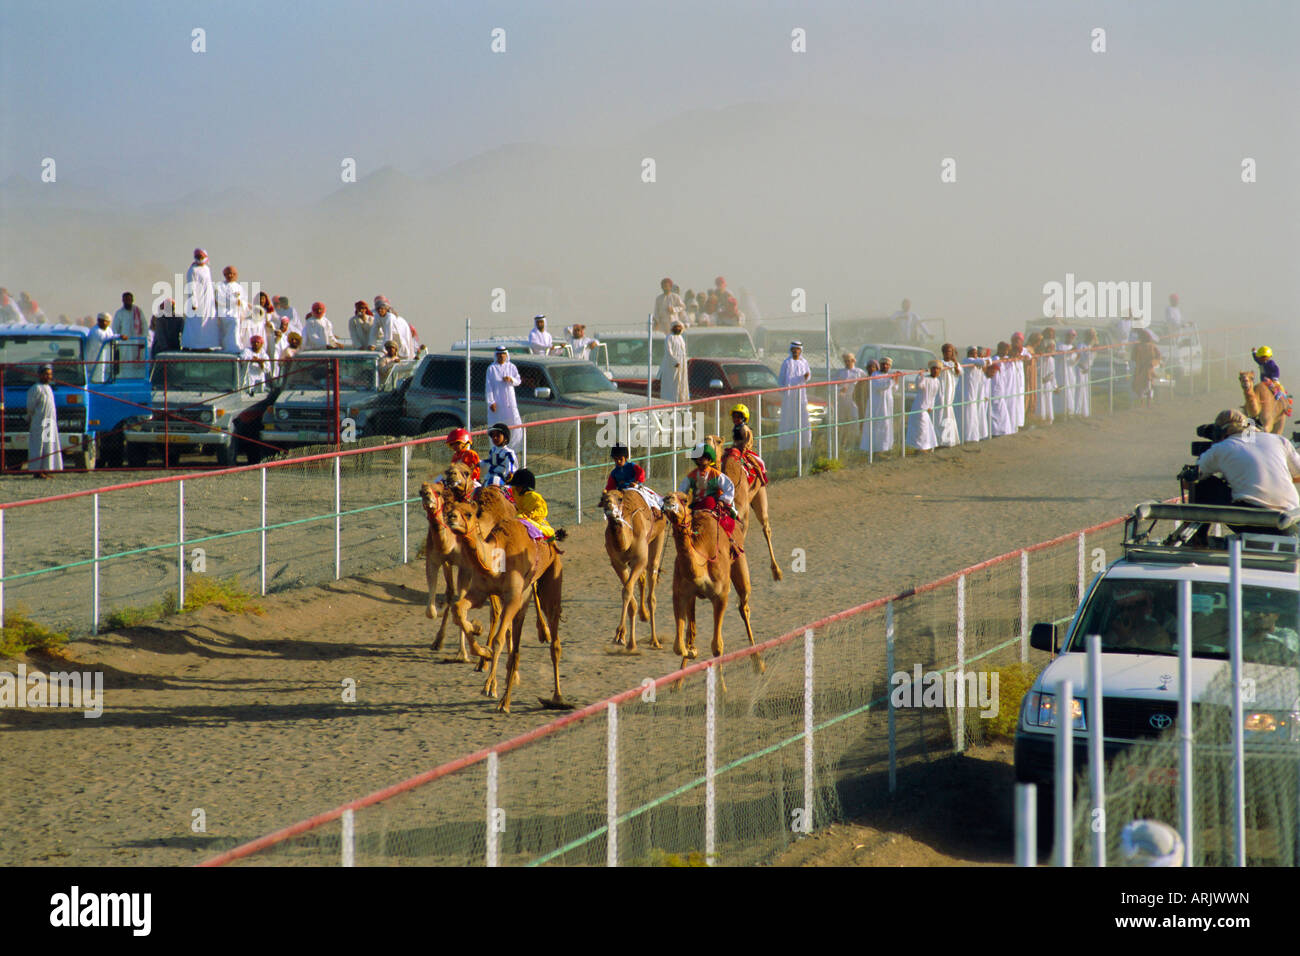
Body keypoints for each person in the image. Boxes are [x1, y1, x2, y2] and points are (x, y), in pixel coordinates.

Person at [1196, 408, 1300, 511]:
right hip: (1292, 512)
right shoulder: (1279, 440)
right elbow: (1297, 471)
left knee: (1203, 485)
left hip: (1255, 514)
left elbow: (1197, 474)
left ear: (1219, 433)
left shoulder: (1220, 448)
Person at [677, 441, 738, 535]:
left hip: (713, 504)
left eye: (704, 457)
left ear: (709, 459)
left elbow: (729, 488)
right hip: (696, 505)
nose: (701, 459)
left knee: (724, 521)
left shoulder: (716, 474)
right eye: (699, 457)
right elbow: (681, 491)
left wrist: (722, 500)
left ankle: (728, 539)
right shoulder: (691, 476)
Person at [1104, 590, 1172, 653]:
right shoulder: (1117, 629)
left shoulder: (1158, 634)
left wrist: (1125, 637)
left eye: (1130, 608)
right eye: (1122, 609)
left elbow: (1147, 658)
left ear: (1142, 609)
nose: (1125, 613)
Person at [26, 364, 62, 476]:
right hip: (39, 422)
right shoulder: (36, 388)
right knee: (38, 446)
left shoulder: (49, 388)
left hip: (49, 423)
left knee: (48, 446)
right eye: (46, 374)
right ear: (40, 375)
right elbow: (30, 407)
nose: (48, 376)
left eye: (50, 374)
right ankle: (37, 470)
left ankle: (46, 469)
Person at [183, 248, 221, 349]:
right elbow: (191, 287)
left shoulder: (207, 269)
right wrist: (194, 302)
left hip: (208, 301)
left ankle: (208, 345)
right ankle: (193, 345)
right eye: (198, 257)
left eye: (202, 257)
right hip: (198, 301)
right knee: (196, 323)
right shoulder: (193, 270)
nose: (200, 259)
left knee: (208, 322)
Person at [778, 341, 812, 451]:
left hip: (801, 395)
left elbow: (808, 376)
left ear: (800, 350)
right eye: (794, 349)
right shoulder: (787, 363)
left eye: (798, 349)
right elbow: (781, 379)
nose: (795, 351)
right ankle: (786, 445)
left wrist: (806, 377)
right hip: (789, 397)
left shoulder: (804, 362)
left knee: (803, 417)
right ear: (791, 350)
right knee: (788, 418)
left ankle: (804, 444)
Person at [485, 346, 523, 446]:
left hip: (510, 402)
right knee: (497, 424)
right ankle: (496, 447)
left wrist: (511, 379)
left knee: (514, 422)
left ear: (506, 355)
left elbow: (518, 381)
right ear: (496, 355)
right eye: (499, 354)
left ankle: (514, 447)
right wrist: (491, 402)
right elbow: (488, 386)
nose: (501, 356)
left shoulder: (511, 367)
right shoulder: (491, 368)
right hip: (497, 403)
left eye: (503, 354)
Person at [507, 469, 558, 540]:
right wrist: (510, 479)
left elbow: (542, 511)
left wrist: (531, 515)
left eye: (518, 486)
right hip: (521, 517)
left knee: (519, 517)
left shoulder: (534, 497)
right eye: (515, 486)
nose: (516, 488)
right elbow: (510, 487)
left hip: (535, 521)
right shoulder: (516, 491)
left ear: (525, 487)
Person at [862, 358, 898, 453]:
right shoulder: (875, 375)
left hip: (887, 404)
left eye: (887, 365)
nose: (885, 366)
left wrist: (896, 380)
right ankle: (874, 449)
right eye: (883, 364)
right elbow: (880, 386)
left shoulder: (890, 375)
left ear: (889, 366)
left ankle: (884, 448)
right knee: (875, 424)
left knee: (886, 424)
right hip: (876, 404)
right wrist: (892, 379)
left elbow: (895, 389)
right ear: (880, 365)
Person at [728, 403, 768, 485]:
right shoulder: (736, 428)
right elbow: (735, 441)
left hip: (745, 451)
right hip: (735, 450)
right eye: (734, 417)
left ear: (743, 418)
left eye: (738, 417)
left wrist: (743, 449)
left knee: (756, 463)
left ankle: (761, 479)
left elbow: (748, 442)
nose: (735, 419)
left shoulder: (745, 429)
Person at [906, 361, 941, 452]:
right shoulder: (925, 379)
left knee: (925, 428)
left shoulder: (937, 381)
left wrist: (931, 406)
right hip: (920, 407)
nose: (936, 370)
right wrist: (920, 375)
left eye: (938, 369)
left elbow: (933, 396)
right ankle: (920, 448)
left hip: (927, 408)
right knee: (921, 428)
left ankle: (923, 448)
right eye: (934, 368)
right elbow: (919, 385)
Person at [833, 351, 867, 444]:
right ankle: (842, 441)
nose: (847, 363)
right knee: (842, 420)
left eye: (849, 360)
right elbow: (833, 384)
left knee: (854, 418)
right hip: (842, 400)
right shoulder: (840, 372)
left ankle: (855, 440)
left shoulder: (859, 372)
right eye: (846, 361)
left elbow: (865, 383)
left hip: (854, 399)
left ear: (853, 361)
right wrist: (840, 389)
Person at [934, 343, 961, 447]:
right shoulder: (940, 363)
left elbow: (958, 372)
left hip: (950, 396)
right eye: (947, 351)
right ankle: (938, 441)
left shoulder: (954, 364)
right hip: (941, 393)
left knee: (948, 417)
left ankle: (948, 441)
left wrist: (954, 362)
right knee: (939, 416)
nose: (948, 353)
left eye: (950, 351)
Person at [216, 265, 247, 353]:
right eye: (229, 273)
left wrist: (241, 303)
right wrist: (234, 301)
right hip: (224, 313)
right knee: (232, 323)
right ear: (224, 274)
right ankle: (229, 347)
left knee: (236, 324)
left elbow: (244, 300)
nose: (231, 275)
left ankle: (234, 345)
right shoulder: (220, 286)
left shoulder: (239, 287)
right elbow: (219, 299)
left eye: (233, 274)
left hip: (236, 312)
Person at [957, 346, 986, 442]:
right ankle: (966, 437)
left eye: (976, 353)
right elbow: (983, 362)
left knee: (973, 414)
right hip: (966, 393)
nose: (975, 354)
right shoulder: (967, 360)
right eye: (974, 352)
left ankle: (973, 436)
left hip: (973, 393)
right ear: (969, 353)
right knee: (967, 415)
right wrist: (982, 360)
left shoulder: (975, 361)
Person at [660, 320, 689, 403]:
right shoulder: (669, 337)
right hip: (671, 366)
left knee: (681, 384)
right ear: (672, 328)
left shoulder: (681, 338)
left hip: (682, 365)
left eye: (680, 327)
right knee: (671, 385)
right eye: (676, 327)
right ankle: (669, 402)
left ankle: (681, 402)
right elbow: (668, 352)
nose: (678, 329)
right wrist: (675, 362)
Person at [1131, 329, 1161, 406]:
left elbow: (1133, 357)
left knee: (1143, 385)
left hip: (1144, 369)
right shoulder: (1151, 346)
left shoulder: (1139, 346)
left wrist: (1152, 363)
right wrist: (1153, 363)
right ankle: (1146, 401)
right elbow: (1158, 357)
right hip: (1146, 369)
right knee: (1147, 385)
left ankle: (1144, 401)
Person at [484, 422, 518, 488]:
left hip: (501, 482)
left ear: (505, 438)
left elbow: (511, 468)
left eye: (498, 436)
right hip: (488, 479)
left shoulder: (508, 453)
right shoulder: (492, 451)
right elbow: (488, 464)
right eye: (493, 436)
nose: (495, 438)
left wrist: (509, 474)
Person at [86, 312, 118, 383]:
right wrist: (119, 336)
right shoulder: (95, 331)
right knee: (95, 379)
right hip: (94, 360)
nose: (104, 323)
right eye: (102, 321)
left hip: (105, 360)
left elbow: (112, 338)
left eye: (107, 322)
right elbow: (106, 340)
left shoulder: (109, 330)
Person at [1075, 329, 1097, 417]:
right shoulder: (1081, 345)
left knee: (1085, 391)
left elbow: (1091, 359)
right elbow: (1079, 357)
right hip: (1079, 369)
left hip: (1086, 370)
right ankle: (1077, 411)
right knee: (1079, 391)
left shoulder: (1091, 346)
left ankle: (1084, 412)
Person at [1036, 336, 1057, 423]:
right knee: (1041, 402)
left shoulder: (1052, 360)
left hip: (1048, 384)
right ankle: (1041, 419)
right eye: (1050, 347)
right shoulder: (1039, 358)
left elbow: (1053, 374)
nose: (1052, 349)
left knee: (1049, 401)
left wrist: (1055, 386)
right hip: (1040, 383)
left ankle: (1049, 419)